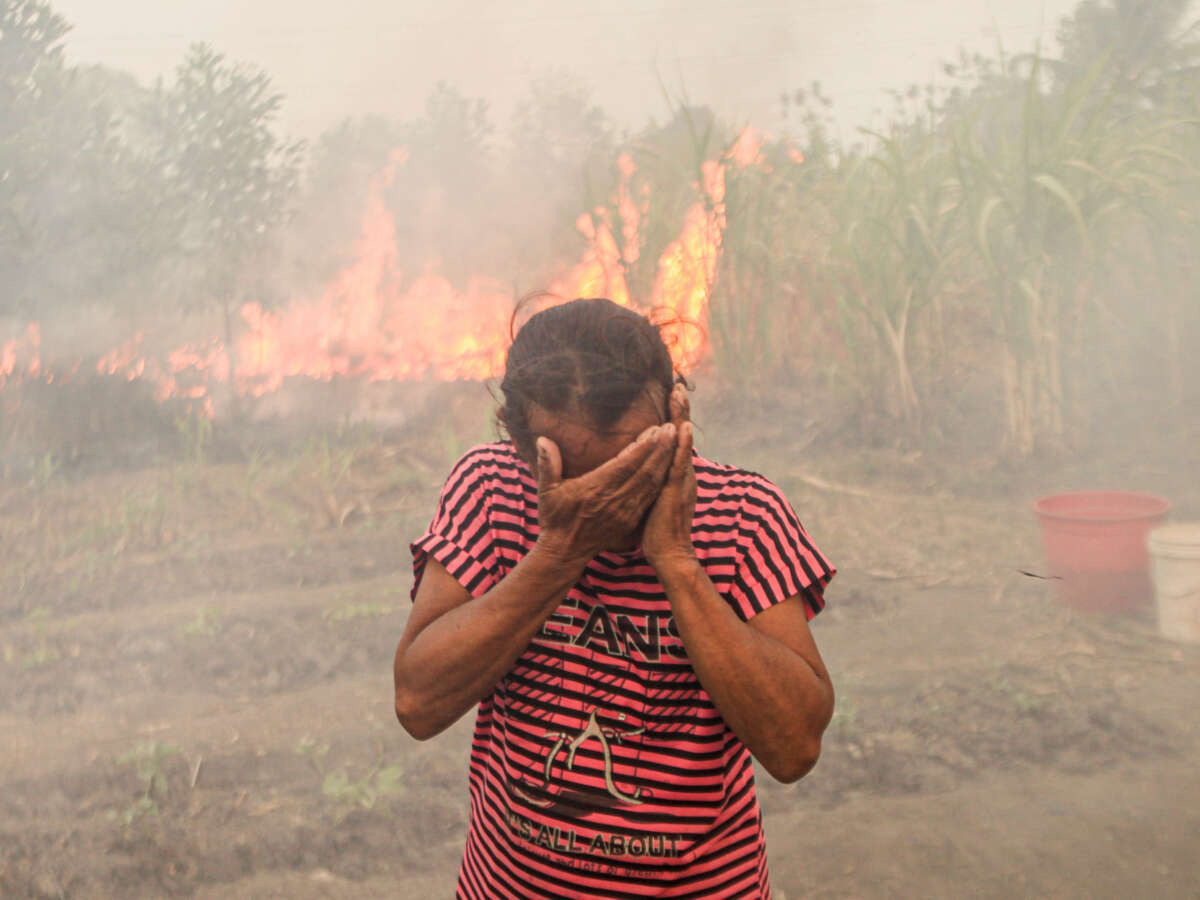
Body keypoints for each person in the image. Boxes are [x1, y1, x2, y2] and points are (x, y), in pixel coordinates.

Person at [394, 297, 835, 899]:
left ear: (675, 414)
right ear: (520, 442)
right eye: (579, 472)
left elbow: (794, 747)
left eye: (633, 459)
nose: (612, 497)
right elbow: (418, 704)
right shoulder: (490, 491)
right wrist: (559, 553)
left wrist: (677, 561)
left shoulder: (744, 515)